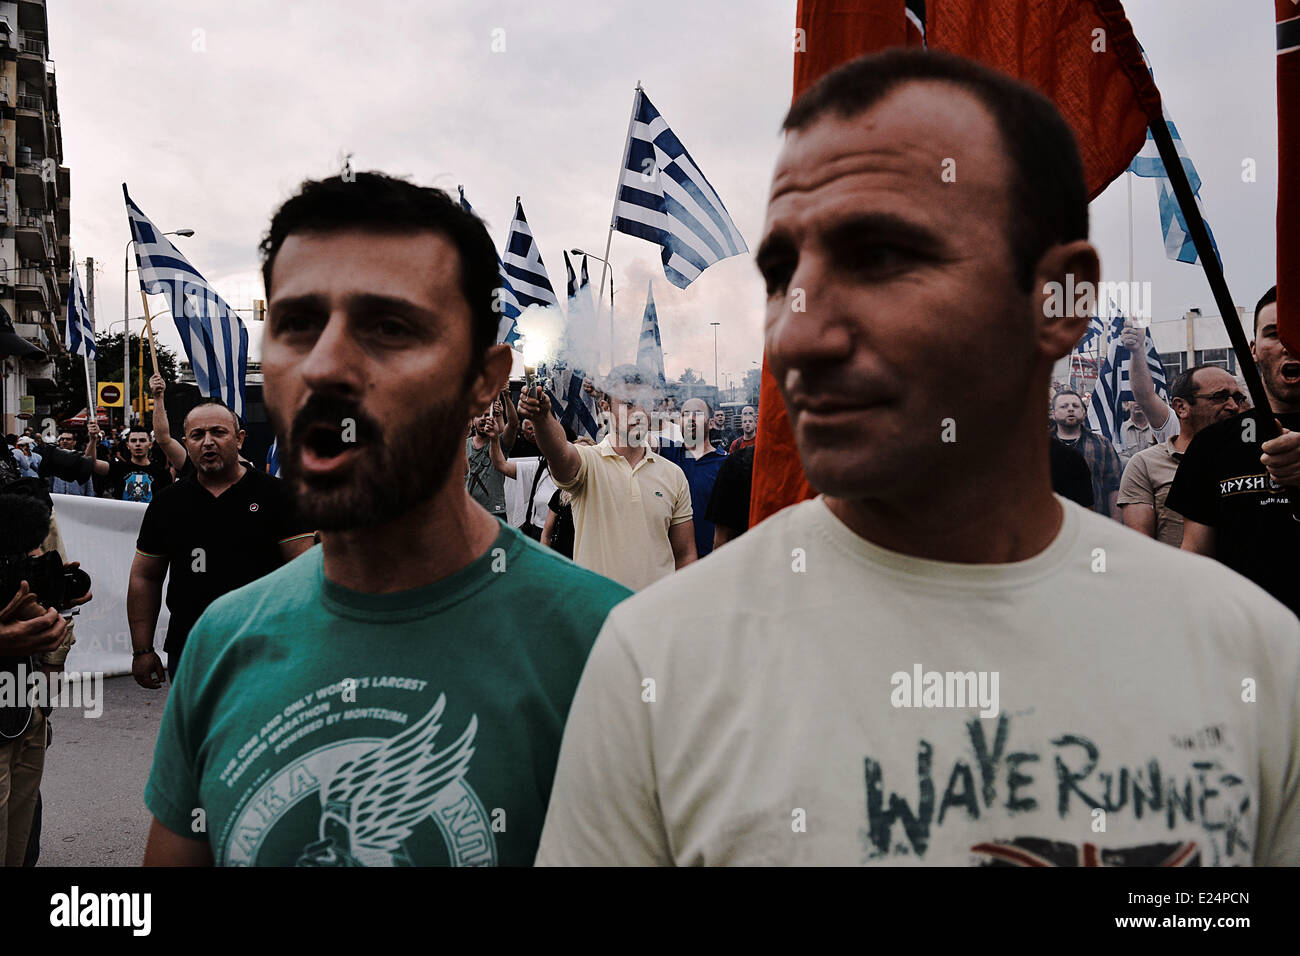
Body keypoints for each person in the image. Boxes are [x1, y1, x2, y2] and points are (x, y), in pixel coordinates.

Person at [535, 49, 1300, 867]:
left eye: (882, 260)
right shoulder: (657, 668)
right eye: (783, 274)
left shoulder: (1249, 655)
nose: (798, 332)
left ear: (1061, 299)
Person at [143, 172, 631, 867]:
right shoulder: (222, 641)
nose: (327, 365)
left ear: (484, 379)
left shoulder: (610, 648)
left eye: (391, 328)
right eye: (297, 325)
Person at [127, 399, 315, 684]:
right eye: (197, 435)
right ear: (186, 443)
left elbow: (305, 576)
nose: (208, 442)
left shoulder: (279, 496)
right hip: (190, 649)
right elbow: (145, 577)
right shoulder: (167, 503)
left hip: (266, 649)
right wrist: (142, 649)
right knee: (196, 730)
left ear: (239, 439)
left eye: (218, 432)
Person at [1167, 286, 1300, 616]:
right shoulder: (1213, 445)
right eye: (1274, 333)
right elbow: (1197, 556)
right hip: (1245, 643)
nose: (1289, 343)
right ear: (1253, 349)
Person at [523, 363, 696, 591]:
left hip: (654, 615)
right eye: (627, 404)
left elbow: (684, 555)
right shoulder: (587, 463)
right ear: (605, 406)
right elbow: (559, 453)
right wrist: (542, 418)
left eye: (644, 403)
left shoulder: (673, 475)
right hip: (598, 614)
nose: (638, 413)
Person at [1119, 364, 1244, 548]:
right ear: (1181, 407)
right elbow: (1142, 548)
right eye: (1220, 397)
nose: (1233, 406)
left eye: (1238, 398)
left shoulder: (1254, 459)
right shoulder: (1145, 465)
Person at [657, 397, 727, 559]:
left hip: (713, 561)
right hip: (673, 563)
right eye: (685, 414)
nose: (690, 418)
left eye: (697, 414)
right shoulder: (669, 453)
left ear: (711, 423)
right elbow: (635, 440)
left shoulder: (725, 464)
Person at [1049, 390, 1121, 519]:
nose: (1070, 409)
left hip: (1094, 520)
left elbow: (1114, 487)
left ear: (1084, 413)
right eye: (1064, 406)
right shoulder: (1043, 446)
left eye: (1076, 406)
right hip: (1053, 522)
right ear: (1053, 414)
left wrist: (1116, 523)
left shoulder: (1102, 444)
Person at [489, 411, 556, 540]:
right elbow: (501, 465)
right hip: (538, 533)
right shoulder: (538, 468)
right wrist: (494, 438)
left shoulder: (576, 472)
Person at [85, 423, 171, 503]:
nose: (138, 444)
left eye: (142, 440)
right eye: (133, 441)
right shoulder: (118, 468)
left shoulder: (162, 473)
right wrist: (93, 439)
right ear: (127, 445)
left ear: (150, 444)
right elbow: (91, 463)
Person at [47, 432, 93, 497]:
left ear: (74, 442)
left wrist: (90, 499)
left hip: (77, 498)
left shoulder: (81, 459)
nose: (64, 441)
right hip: (58, 498)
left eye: (68, 439)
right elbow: (50, 481)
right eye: (62, 439)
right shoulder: (53, 458)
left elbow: (88, 482)